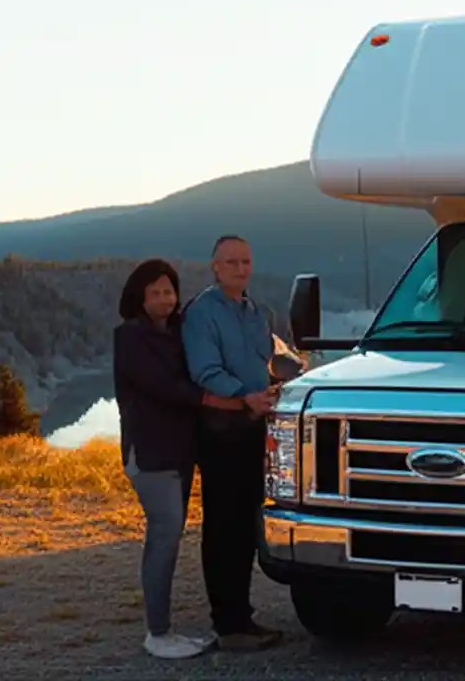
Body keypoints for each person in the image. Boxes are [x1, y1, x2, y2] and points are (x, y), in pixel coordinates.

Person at [113, 258, 246, 659]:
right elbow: (163, 386)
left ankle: (165, 628)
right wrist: (215, 398)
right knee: (164, 537)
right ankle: (158, 632)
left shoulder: (177, 332)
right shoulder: (130, 337)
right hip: (151, 454)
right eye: (155, 292)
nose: (164, 299)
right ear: (139, 297)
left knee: (169, 535)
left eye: (169, 291)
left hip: (179, 453)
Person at [181, 235, 283, 651]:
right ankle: (228, 623)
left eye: (246, 261)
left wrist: (277, 386)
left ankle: (242, 615)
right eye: (231, 262)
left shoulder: (257, 312)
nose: (241, 269)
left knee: (245, 522)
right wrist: (246, 395)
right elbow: (205, 370)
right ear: (215, 267)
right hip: (222, 428)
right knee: (224, 524)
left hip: (254, 425)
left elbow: (268, 361)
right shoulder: (201, 313)